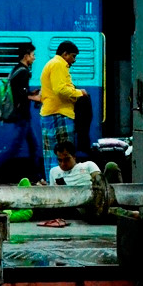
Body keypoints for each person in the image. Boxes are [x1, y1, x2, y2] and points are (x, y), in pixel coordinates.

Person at [0, 42, 44, 186]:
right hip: (22, 116)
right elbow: (20, 95)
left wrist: (31, 93)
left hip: (23, 117)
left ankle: (38, 178)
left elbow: (20, 91)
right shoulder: (23, 71)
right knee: (15, 148)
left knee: (34, 146)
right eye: (33, 55)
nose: (34, 58)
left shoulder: (17, 69)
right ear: (26, 56)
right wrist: (35, 97)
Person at [39, 40, 88, 182]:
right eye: (73, 56)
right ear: (64, 54)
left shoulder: (52, 64)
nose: (74, 60)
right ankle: (65, 185)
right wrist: (80, 93)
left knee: (52, 154)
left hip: (51, 113)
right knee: (64, 153)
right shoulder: (59, 64)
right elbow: (60, 89)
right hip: (59, 114)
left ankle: (53, 185)